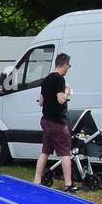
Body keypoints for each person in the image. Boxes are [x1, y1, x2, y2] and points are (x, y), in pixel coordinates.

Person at [33, 52, 77, 191]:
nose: (69, 68)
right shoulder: (59, 80)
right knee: (65, 152)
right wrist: (67, 91)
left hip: (46, 120)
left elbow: (41, 102)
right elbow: (61, 99)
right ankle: (68, 184)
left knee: (45, 151)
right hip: (57, 122)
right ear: (63, 65)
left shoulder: (46, 79)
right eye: (68, 65)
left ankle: (37, 180)